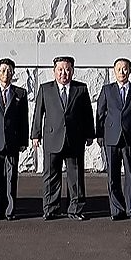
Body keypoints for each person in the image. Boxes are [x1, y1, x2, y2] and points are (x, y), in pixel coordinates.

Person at [31, 56, 95, 221]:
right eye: (60, 69)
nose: (63, 73)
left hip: (74, 139)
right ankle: (50, 209)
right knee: (51, 175)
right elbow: (38, 112)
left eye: (67, 69)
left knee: (76, 176)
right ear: (54, 71)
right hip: (52, 137)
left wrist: (90, 134)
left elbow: (87, 113)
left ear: (72, 71)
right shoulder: (45, 89)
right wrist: (35, 134)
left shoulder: (81, 89)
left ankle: (75, 209)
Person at [95, 57, 131, 221]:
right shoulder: (107, 90)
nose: (122, 72)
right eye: (119, 69)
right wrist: (99, 135)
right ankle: (117, 209)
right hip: (111, 138)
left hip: (129, 138)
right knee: (113, 176)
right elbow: (100, 114)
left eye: (125, 68)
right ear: (114, 71)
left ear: (130, 70)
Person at [0, 58, 28, 220]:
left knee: (11, 177)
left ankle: (10, 210)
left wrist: (23, 141)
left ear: (13, 73)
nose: (6, 74)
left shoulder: (20, 93)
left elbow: (23, 120)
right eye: (2, 70)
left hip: (12, 141)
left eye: (9, 70)